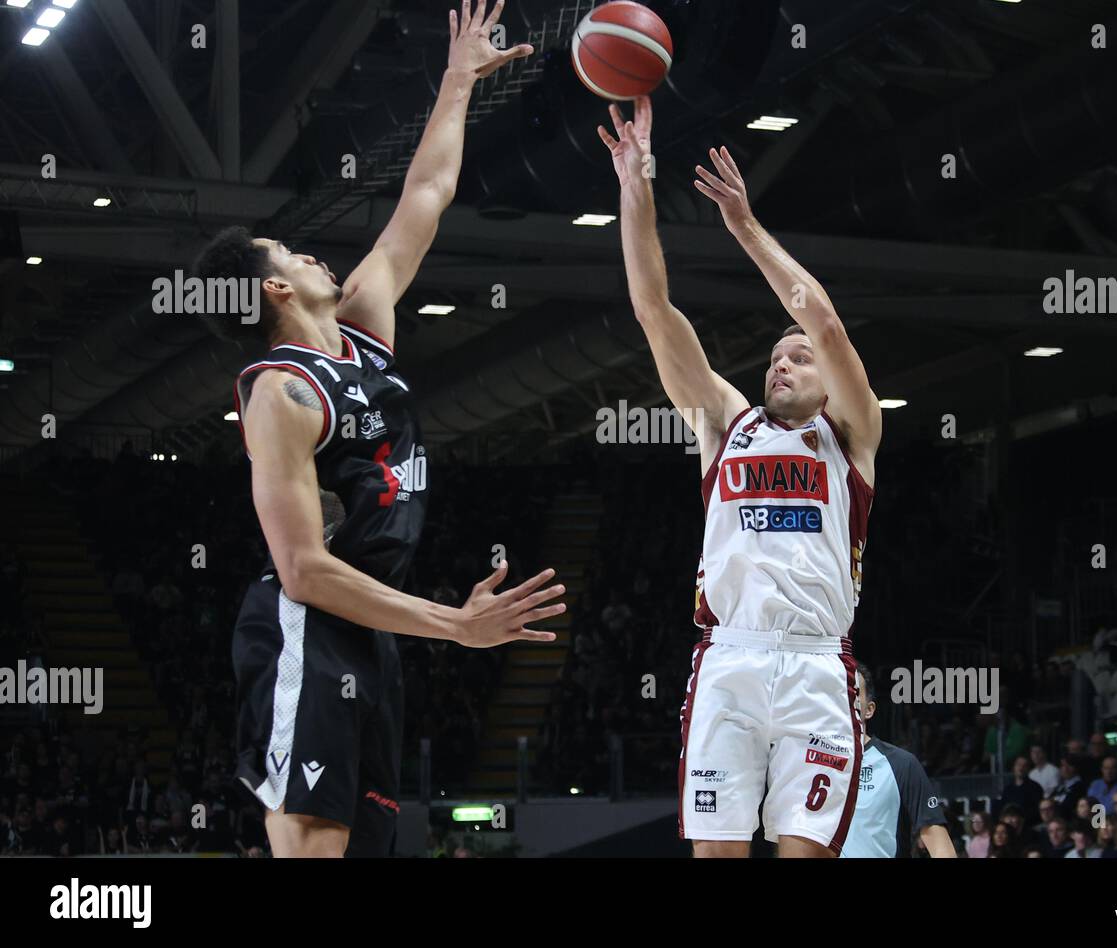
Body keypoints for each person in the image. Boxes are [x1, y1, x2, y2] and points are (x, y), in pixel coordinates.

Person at [193, 0, 562, 858]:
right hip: (307, 623)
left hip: (371, 630)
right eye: (289, 252)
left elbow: (425, 193)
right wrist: (453, 625)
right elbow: (302, 568)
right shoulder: (279, 393)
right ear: (275, 291)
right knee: (316, 847)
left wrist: (457, 82)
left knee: (367, 848)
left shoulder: (362, 326)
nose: (311, 253)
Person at [599, 97, 882, 858]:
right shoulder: (726, 423)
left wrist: (745, 227)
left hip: (820, 665)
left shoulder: (850, 436)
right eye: (774, 357)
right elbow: (654, 309)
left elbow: (823, 322)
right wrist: (637, 185)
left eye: (798, 359)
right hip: (730, 657)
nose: (782, 363)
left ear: (830, 382)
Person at [839, 668, 955, 858]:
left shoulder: (901, 764)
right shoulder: (810, 765)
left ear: (869, 709)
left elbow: (940, 844)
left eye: (853, 691)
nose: (845, 697)